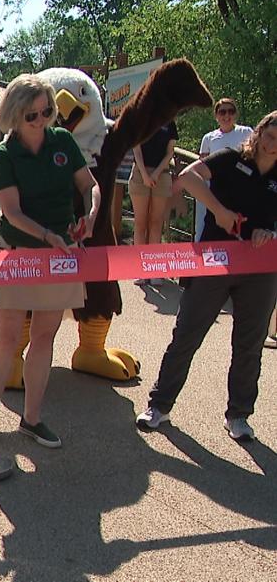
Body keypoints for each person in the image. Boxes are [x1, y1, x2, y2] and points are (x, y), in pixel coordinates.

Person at [136, 111, 277, 441]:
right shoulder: (231, 158)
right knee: (187, 333)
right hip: (216, 258)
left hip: (260, 267)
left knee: (249, 344)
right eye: (269, 136)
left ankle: (239, 415)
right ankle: (160, 405)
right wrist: (219, 211)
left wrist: (269, 232)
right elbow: (187, 177)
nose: (273, 145)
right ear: (259, 133)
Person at [0, 74, 101, 449]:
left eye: (47, 111)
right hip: (19, 253)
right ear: (14, 115)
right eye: (32, 114)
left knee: (46, 336)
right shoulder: (4, 155)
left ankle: (32, 419)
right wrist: (48, 236)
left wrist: (92, 212)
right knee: (7, 337)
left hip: (62, 255)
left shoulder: (63, 141)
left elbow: (89, 184)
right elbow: (12, 213)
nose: (41, 120)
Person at [196, 98, 252, 241]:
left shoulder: (246, 132)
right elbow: (201, 164)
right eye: (222, 112)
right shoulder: (208, 138)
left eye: (231, 111)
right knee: (205, 227)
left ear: (236, 114)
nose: (227, 116)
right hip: (213, 191)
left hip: (239, 190)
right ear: (216, 116)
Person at [130, 120, 178, 286]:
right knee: (140, 223)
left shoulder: (169, 123)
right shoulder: (141, 119)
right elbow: (136, 149)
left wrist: (156, 173)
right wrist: (144, 174)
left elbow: (170, 152)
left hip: (162, 174)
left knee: (156, 222)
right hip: (139, 174)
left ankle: (154, 268)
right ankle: (140, 269)